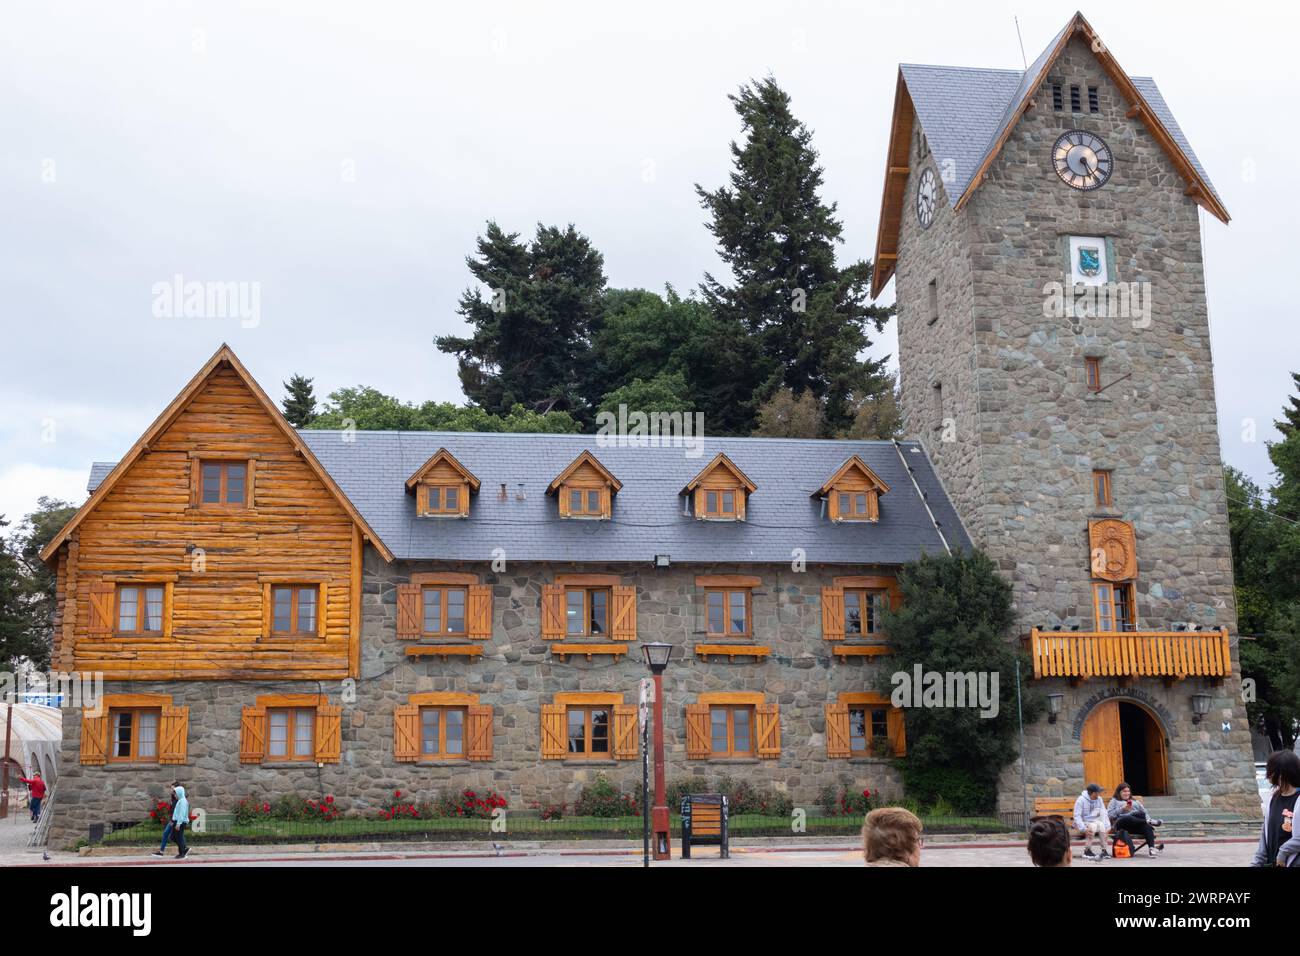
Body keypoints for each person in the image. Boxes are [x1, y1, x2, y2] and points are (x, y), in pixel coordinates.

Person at [1251, 750, 1300, 868]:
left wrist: (1283, 853)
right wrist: (1256, 863)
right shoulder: (1274, 798)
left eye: (1272, 772)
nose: (1269, 776)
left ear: (1282, 774)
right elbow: (1265, 836)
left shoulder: (1298, 799)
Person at [1107, 783, 1164, 857]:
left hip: (1136, 825)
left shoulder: (1135, 801)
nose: (1127, 793)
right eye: (1124, 791)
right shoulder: (1114, 801)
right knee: (1127, 817)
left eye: (1128, 791)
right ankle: (1149, 822)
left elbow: (1144, 812)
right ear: (1119, 792)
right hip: (1122, 826)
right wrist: (1122, 809)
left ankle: (1151, 849)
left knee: (1145, 823)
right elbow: (1109, 815)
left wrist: (1146, 818)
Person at [1073, 782, 1110, 860]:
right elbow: (1077, 816)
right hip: (1082, 823)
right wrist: (1083, 828)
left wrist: (1107, 827)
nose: (1099, 794)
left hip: (1094, 821)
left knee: (1102, 826)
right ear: (1093, 793)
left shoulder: (1099, 799)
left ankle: (1104, 850)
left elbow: (1104, 813)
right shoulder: (1081, 800)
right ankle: (1087, 850)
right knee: (1092, 826)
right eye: (1098, 792)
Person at [153, 782, 180, 857]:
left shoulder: (178, 798)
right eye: (171, 788)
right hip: (173, 820)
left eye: (172, 788)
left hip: (175, 820)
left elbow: (176, 810)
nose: (171, 790)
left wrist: (172, 820)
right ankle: (161, 852)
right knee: (168, 835)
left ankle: (184, 848)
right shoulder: (173, 797)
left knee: (175, 836)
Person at [169, 785, 190, 859]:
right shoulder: (180, 800)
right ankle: (184, 849)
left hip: (180, 822)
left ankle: (182, 853)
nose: (174, 795)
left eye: (175, 793)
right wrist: (173, 821)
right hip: (177, 821)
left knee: (178, 837)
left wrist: (178, 824)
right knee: (173, 837)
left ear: (179, 793)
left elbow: (182, 813)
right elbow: (177, 813)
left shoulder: (183, 801)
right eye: (174, 794)